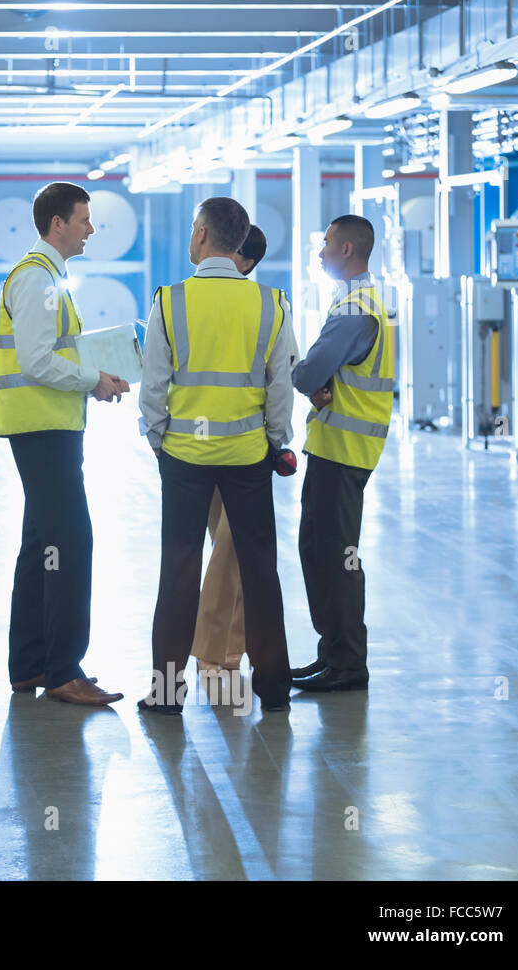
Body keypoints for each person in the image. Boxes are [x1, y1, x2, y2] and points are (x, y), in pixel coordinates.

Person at [138, 198, 298, 714]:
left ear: (203, 235)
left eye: (192, 230)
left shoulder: (169, 301)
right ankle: (273, 689)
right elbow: (281, 388)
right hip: (249, 455)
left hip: (184, 455)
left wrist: (160, 440)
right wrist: (275, 442)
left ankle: (166, 695)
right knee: (260, 570)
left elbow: (153, 387)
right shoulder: (272, 304)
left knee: (178, 570)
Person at [0, 182, 129, 707]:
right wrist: (93, 379)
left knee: (41, 545)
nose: (91, 229)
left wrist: (94, 376)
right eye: (84, 220)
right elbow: (37, 361)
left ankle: (29, 665)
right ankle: (64, 671)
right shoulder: (36, 279)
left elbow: (52, 355)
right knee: (71, 542)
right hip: (41, 428)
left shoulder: (50, 277)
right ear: (58, 224)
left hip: (49, 425)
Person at [291, 215, 394, 692]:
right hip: (344, 446)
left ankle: (348, 663)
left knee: (337, 556)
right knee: (321, 549)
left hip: (343, 448)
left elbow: (309, 373)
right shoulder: (364, 301)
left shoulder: (356, 308)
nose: (321, 250)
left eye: (327, 242)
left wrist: (309, 381)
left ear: (348, 250)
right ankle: (333, 652)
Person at [192, 225, 269, 678]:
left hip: (233, 445)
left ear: (244, 260)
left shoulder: (259, 304)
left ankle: (216, 648)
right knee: (230, 548)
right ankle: (227, 646)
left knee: (229, 549)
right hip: (213, 444)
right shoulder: (194, 298)